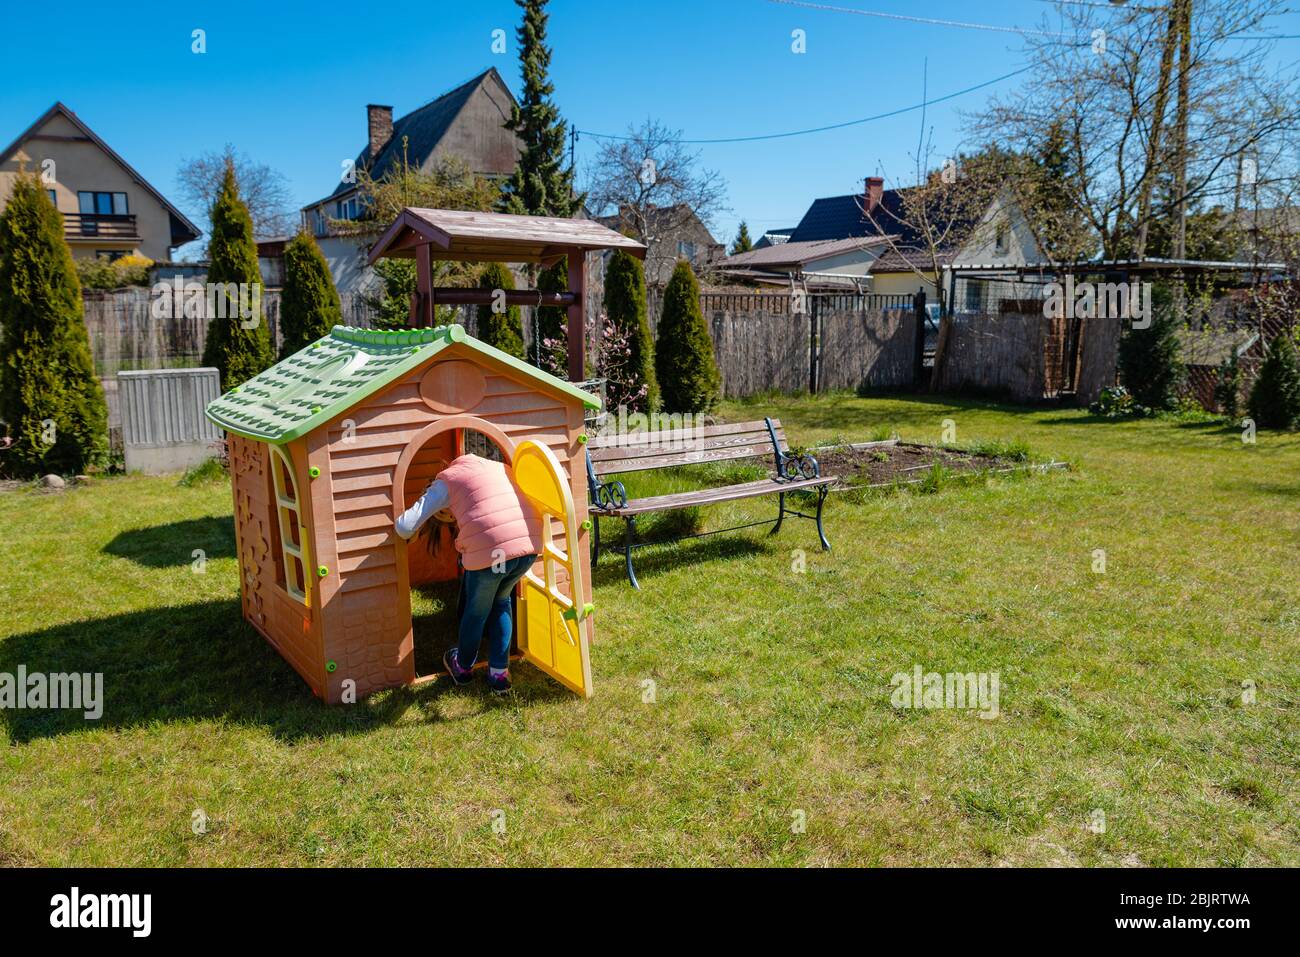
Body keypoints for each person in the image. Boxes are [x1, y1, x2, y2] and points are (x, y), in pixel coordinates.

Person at [395, 453, 542, 693]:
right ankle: (499, 675)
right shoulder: (500, 467)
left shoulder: (446, 481)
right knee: (502, 602)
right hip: (529, 545)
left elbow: (405, 526)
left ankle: (462, 667)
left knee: (477, 611)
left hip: (491, 550)